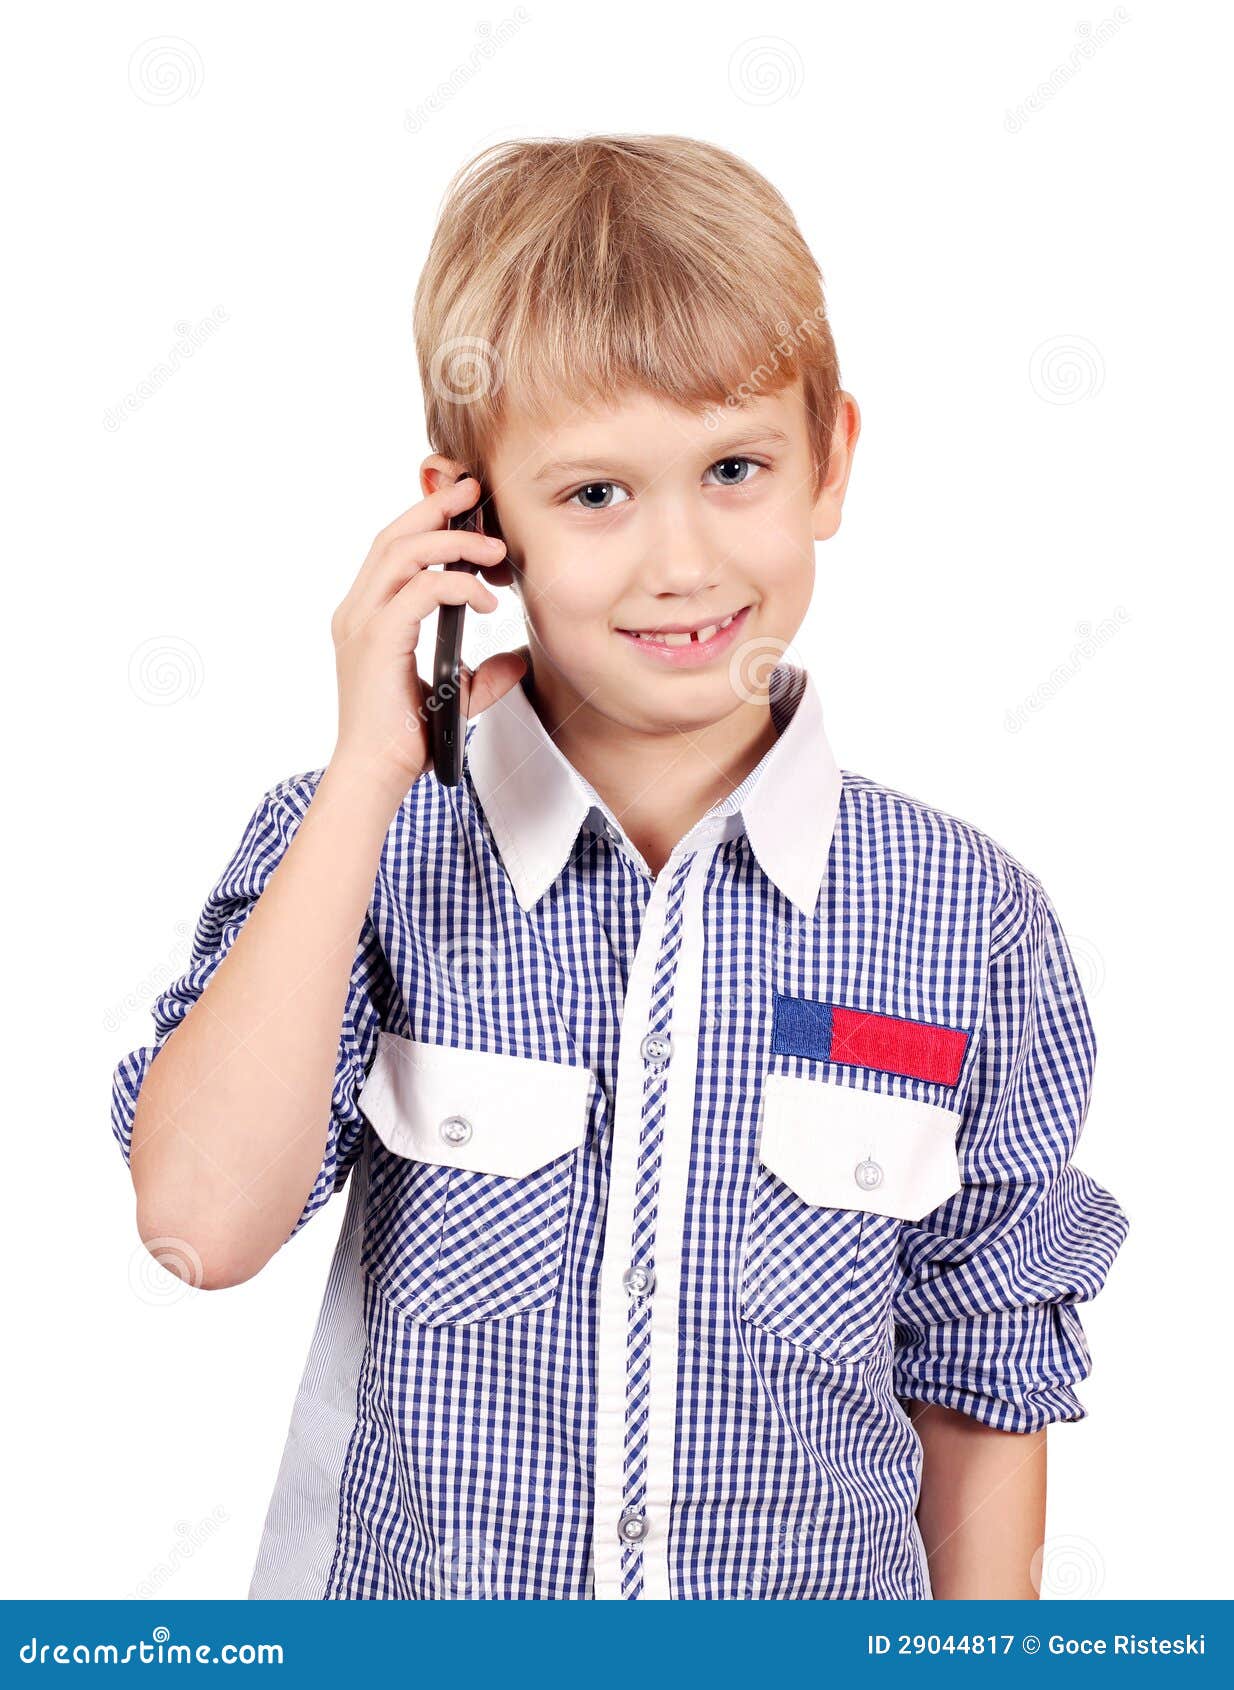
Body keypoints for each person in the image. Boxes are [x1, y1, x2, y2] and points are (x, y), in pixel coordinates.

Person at [110, 133, 1129, 1601]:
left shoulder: (968, 918)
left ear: (830, 457)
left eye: (733, 468)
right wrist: (366, 776)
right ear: (472, 517)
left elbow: (983, 1361)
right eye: (593, 493)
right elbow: (198, 1223)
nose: (679, 560)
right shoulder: (360, 850)